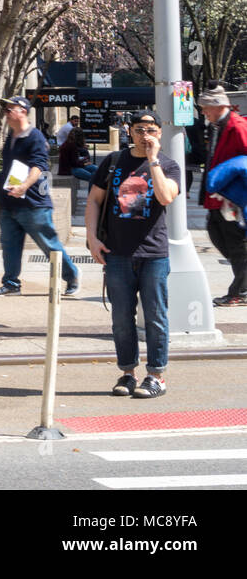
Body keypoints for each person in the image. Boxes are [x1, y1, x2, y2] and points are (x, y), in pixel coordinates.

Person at [85, 111, 180, 399]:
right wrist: (91, 239)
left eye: (151, 129)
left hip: (153, 254)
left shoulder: (169, 165)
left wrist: (152, 160)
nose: (145, 134)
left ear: (160, 133)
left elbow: (165, 197)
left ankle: (156, 376)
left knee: (155, 316)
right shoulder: (114, 162)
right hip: (117, 253)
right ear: (130, 131)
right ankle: (128, 373)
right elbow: (94, 200)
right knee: (121, 318)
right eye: (139, 129)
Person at [0, 95, 79, 297]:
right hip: (9, 204)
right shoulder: (11, 136)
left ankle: (71, 275)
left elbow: (39, 166)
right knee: (10, 246)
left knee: (49, 244)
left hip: (34, 205)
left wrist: (24, 187)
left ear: (23, 111)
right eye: (5, 109)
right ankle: (11, 283)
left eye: (10, 109)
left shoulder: (35, 136)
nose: (6, 113)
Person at [196, 84, 247, 307]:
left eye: (206, 107)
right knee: (218, 236)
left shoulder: (237, 127)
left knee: (236, 245)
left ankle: (240, 291)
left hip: (231, 197)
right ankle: (243, 286)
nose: (204, 112)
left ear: (218, 106)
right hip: (218, 196)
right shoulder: (217, 127)